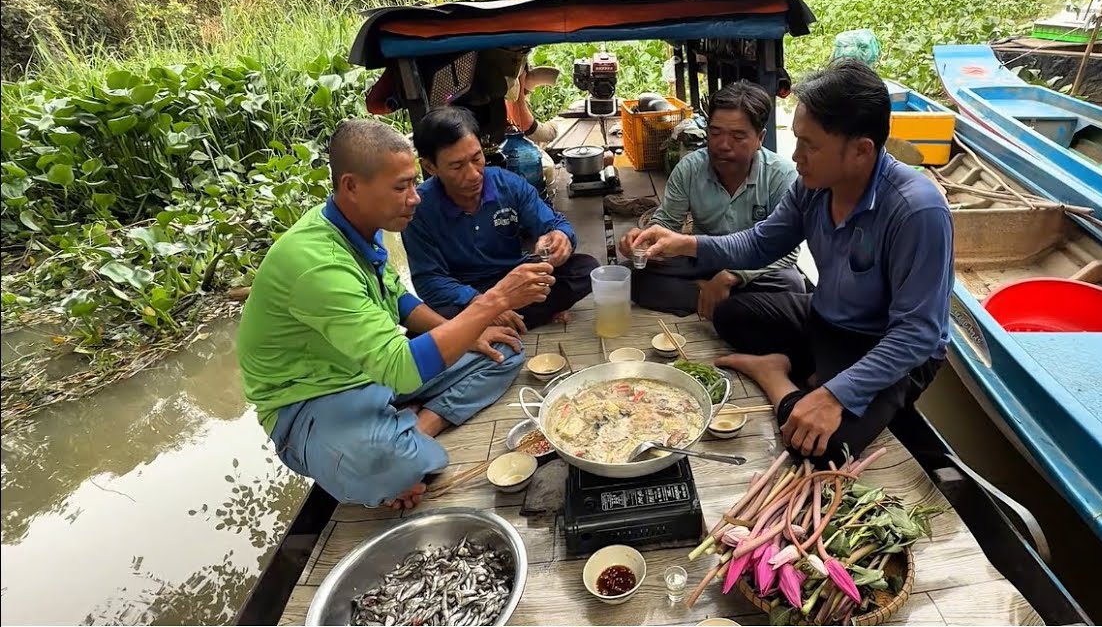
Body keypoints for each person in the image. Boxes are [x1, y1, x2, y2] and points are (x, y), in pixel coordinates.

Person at [632, 59, 954, 466]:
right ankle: (809, 370)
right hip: (827, 318)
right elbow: (761, 242)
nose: (796, 155)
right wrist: (685, 243)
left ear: (861, 150)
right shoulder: (813, 187)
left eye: (810, 145)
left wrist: (835, 394)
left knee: (824, 446)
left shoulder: (916, 210)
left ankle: (774, 375)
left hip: (887, 345)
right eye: (796, 139)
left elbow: (917, 334)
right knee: (730, 314)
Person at [238, 119, 555, 511]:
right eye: (401, 186)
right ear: (352, 186)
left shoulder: (360, 227)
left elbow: (400, 299)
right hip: (312, 397)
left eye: (412, 183)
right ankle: (393, 441)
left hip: (371, 370)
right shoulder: (316, 263)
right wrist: (494, 301)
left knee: (502, 350)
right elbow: (402, 368)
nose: (415, 197)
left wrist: (469, 333)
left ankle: (423, 423)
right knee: (397, 469)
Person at [618, 80, 806, 319]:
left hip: (754, 268)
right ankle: (724, 303)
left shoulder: (781, 176)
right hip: (701, 260)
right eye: (715, 133)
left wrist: (732, 276)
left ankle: (708, 299)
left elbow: (787, 252)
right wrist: (645, 242)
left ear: (760, 137)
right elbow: (667, 223)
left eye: (738, 136)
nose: (723, 145)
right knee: (631, 274)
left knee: (790, 284)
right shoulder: (690, 168)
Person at [403, 106, 599, 330]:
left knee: (584, 269)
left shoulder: (507, 184)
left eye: (477, 158)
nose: (474, 174)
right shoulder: (419, 208)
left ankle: (483, 328)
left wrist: (560, 237)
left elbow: (554, 223)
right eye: (457, 166)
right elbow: (429, 280)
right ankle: (509, 320)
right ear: (429, 166)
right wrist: (482, 303)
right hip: (466, 295)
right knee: (425, 321)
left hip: (515, 281)